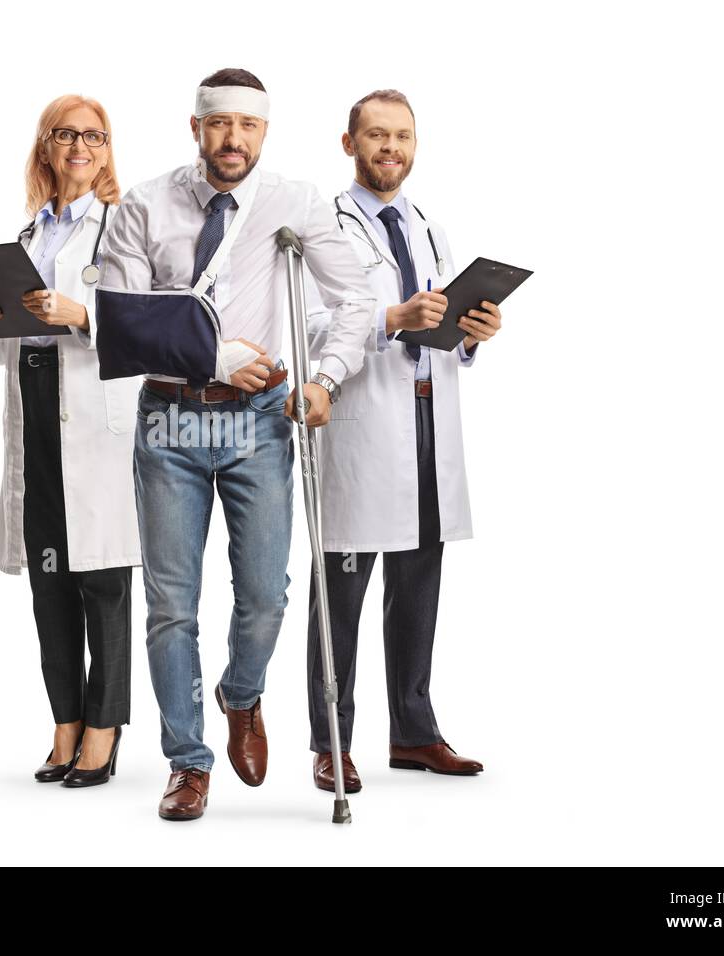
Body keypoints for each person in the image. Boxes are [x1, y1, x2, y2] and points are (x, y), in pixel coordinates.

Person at [97, 68, 375, 820]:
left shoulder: (295, 203)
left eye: (247, 126)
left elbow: (356, 297)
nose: (233, 139)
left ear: (264, 131)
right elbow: (121, 324)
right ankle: (188, 761)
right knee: (171, 606)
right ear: (196, 128)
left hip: (258, 421)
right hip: (170, 419)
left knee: (264, 595)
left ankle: (240, 693)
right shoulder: (144, 206)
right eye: (219, 124)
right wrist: (211, 355)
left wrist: (326, 377)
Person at [303, 89, 504, 794]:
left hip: (425, 418)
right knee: (344, 597)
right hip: (359, 427)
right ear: (349, 143)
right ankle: (332, 742)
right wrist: (391, 317)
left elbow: (439, 328)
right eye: (378, 136)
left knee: (418, 585)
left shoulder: (427, 227)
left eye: (403, 137)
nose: (391, 149)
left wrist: (470, 336)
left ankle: (414, 733)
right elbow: (306, 329)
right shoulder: (319, 230)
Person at [0, 94, 140, 788]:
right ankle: (64, 721)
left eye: (93, 135)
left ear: (106, 147)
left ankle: (104, 727)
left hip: (96, 417)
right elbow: (13, 337)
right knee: (51, 577)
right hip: (35, 400)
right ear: (45, 146)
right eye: (65, 134)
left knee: (102, 581)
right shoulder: (31, 231)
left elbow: (151, 325)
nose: (79, 146)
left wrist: (83, 313)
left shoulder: (122, 228)